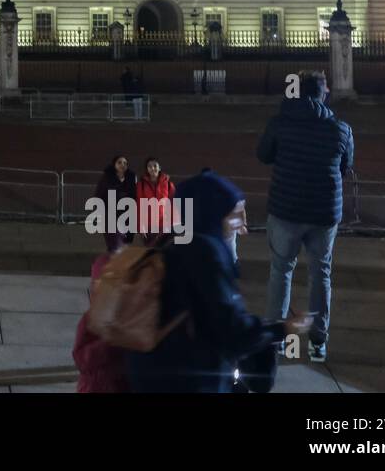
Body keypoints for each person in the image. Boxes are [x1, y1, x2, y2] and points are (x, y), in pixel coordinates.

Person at [126, 171, 310, 393]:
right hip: (189, 382)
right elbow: (233, 331)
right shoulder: (207, 254)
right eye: (234, 215)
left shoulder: (171, 243)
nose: (242, 225)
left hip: (153, 376)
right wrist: (283, 329)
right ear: (211, 213)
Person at [257, 69, 354, 364]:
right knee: (320, 274)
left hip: (285, 210)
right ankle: (317, 341)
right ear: (323, 94)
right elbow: (345, 167)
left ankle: (274, 337)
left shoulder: (280, 122)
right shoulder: (340, 128)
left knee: (281, 271)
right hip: (324, 213)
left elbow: (263, 155)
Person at [72, 253, 130, 393]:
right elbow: (81, 357)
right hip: (94, 386)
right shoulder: (91, 319)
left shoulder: (129, 320)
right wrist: (108, 344)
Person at [93, 154, 138, 252]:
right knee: (114, 244)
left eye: (125, 163)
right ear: (114, 164)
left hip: (127, 215)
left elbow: (135, 195)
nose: (123, 165)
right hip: (111, 215)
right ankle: (113, 263)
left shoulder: (131, 178)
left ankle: (120, 264)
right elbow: (99, 195)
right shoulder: (106, 178)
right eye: (119, 162)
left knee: (125, 244)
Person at [135, 157, 175, 244]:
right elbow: (139, 206)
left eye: (155, 166)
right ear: (147, 169)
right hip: (148, 226)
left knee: (163, 252)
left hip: (163, 226)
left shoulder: (168, 184)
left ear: (159, 168)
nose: (152, 168)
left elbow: (173, 207)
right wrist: (140, 227)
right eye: (149, 166)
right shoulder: (141, 185)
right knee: (150, 253)